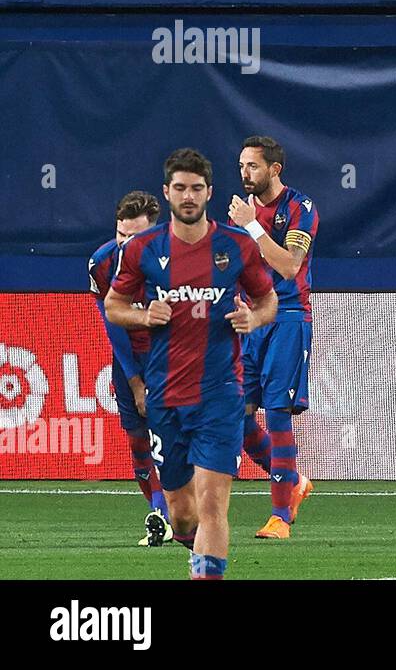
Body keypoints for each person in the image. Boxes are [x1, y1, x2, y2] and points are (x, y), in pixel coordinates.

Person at [105, 148, 277, 579]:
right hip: (166, 397)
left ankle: (207, 569)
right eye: (180, 188)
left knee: (213, 503)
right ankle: (194, 550)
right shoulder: (144, 249)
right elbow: (113, 305)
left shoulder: (236, 246)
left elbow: (268, 299)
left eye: (196, 189)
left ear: (209, 193)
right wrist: (144, 316)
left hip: (221, 394)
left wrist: (253, 318)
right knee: (183, 514)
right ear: (167, 192)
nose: (188, 196)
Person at [227, 136, 318, 539]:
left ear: (274, 169)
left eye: (252, 166)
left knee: (277, 413)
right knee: (239, 417)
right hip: (250, 321)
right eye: (242, 165)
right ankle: (295, 481)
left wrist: (250, 224)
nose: (244, 173)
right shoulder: (239, 215)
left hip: (288, 317)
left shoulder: (300, 208)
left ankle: (280, 517)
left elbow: (288, 266)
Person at [89, 190, 170, 546]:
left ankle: (178, 513)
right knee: (137, 438)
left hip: (170, 357)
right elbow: (112, 324)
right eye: (120, 235)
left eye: (134, 238)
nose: (124, 245)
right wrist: (136, 381)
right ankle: (160, 515)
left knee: (170, 440)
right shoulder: (101, 263)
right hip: (129, 360)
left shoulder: (174, 262)